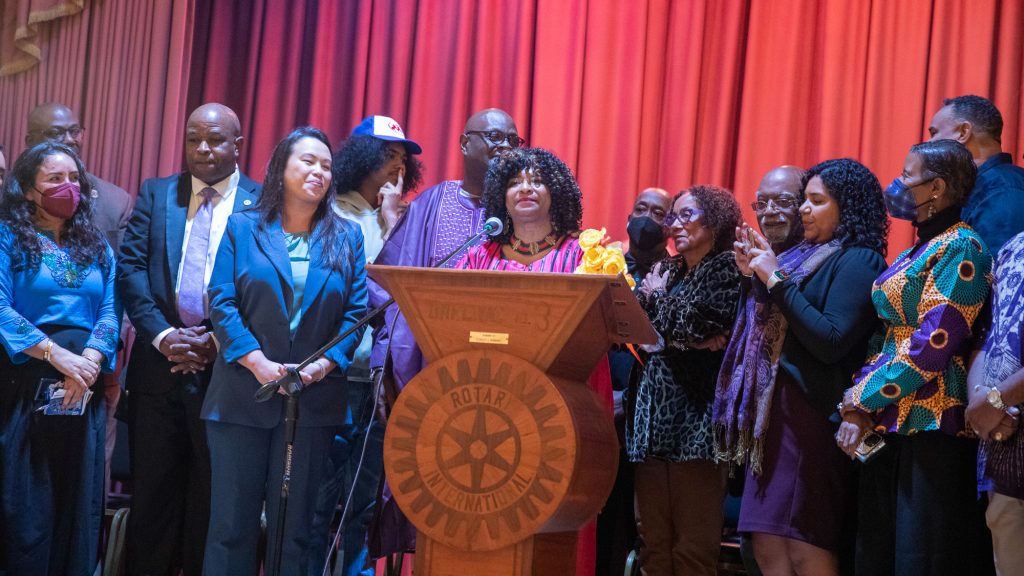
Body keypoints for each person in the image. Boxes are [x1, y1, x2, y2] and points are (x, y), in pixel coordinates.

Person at [202, 127, 367, 576]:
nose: (319, 172)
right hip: (241, 396)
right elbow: (220, 300)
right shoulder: (243, 226)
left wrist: (322, 365)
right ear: (281, 168)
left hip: (313, 403)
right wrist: (257, 362)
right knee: (230, 527)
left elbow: (357, 314)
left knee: (296, 532)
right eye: (308, 162)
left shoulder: (347, 237)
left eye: (326, 166)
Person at [715, 159, 889, 575]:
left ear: (846, 206)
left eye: (815, 201)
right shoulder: (799, 258)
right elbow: (774, 333)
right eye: (805, 201)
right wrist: (758, 278)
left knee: (804, 545)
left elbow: (829, 341)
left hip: (813, 418)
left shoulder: (858, 260)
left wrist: (774, 280)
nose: (803, 211)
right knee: (767, 548)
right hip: (773, 417)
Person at [367, 107, 521, 559]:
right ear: (463, 143)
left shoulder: (522, 213)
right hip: (431, 377)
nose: (504, 147)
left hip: (500, 383)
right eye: (493, 137)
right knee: (432, 501)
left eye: (512, 139)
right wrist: (384, 362)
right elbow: (389, 289)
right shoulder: (434, 204)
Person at [836, 139, 994, 575]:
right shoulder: (914, 251)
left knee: (919, 556)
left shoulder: (963, 248)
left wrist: (861, 400)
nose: (899, 183)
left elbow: (932, 346)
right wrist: (861, 407)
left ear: (937, 188)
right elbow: (884, 337)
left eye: (908, 175)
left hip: (933, 419)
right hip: (887, 416)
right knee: (875, 553)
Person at [118, 102, 260, 576]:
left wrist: (216, 342)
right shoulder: (157, 194)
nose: (202, 148)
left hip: (228, 376)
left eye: (215, 139)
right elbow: (132, 271)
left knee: (213, 500)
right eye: (193, 138)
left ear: (238, 145)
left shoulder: (261, 204)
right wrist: (162, 336)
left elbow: (261, 289)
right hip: (158, 374)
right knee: (153, 501)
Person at [457, 146, 612, 576]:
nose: (525, 188)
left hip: (560, 409)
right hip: (489, 407)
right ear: (500, 197)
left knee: (552, 520)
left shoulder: (586, 256)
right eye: (514, 182)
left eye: (536, 180)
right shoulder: (478, 256)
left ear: (556, 193)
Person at [308, 115, 423, 576]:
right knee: (319, 497)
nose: (397, 169)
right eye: (388, 157)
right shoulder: (328, 212)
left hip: (381, 379)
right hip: (334, 373)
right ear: (360, 158)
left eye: (403, 161)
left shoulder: (407, 218)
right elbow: (354, 287)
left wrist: (394, 222)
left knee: (365, 497)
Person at [0, 142, 119, 575]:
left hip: (82, 387)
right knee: (25, 502)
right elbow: (1, 308)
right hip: (23, 384)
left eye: (74, 179)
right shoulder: (7, 236)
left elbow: (110, 309)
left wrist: (88, 359)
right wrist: (57, 356)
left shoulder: (98, 246)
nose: (68, 188)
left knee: (76, 500)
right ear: (29, 189)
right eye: (55, 179)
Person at [629, 185, 742, 576]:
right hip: (649, 427)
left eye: (686, 215)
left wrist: (665, 311)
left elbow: (696, 323)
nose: (674, 225)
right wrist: (680, 334)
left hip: (697, 426)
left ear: (715, 220)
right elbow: (639, 327)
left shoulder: (725, 267)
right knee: (652, 543)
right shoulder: (670, 269)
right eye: (672, 217)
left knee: (693, 548)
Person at [965, 228, 1024, 576]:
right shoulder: (1014, 246)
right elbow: (987, 333)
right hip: (1007, 452)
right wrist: (981, 400)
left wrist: (998, 399)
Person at [25, 102, 132, 249]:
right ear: (30, 141)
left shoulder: (115, 201)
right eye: (56, 133)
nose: (69, 139)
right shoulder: (10, 193)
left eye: (75, 131)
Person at [928, 95, 1024, 253]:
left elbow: (999, 274)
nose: (928, 143)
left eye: (934, 133)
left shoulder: (1004, 192)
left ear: (963, 132)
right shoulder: (976, 189)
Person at [752, 165, 806, 254]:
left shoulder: (826, 258)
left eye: (782, 201)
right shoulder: (750, 259)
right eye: (761, 203)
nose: (768, 211)